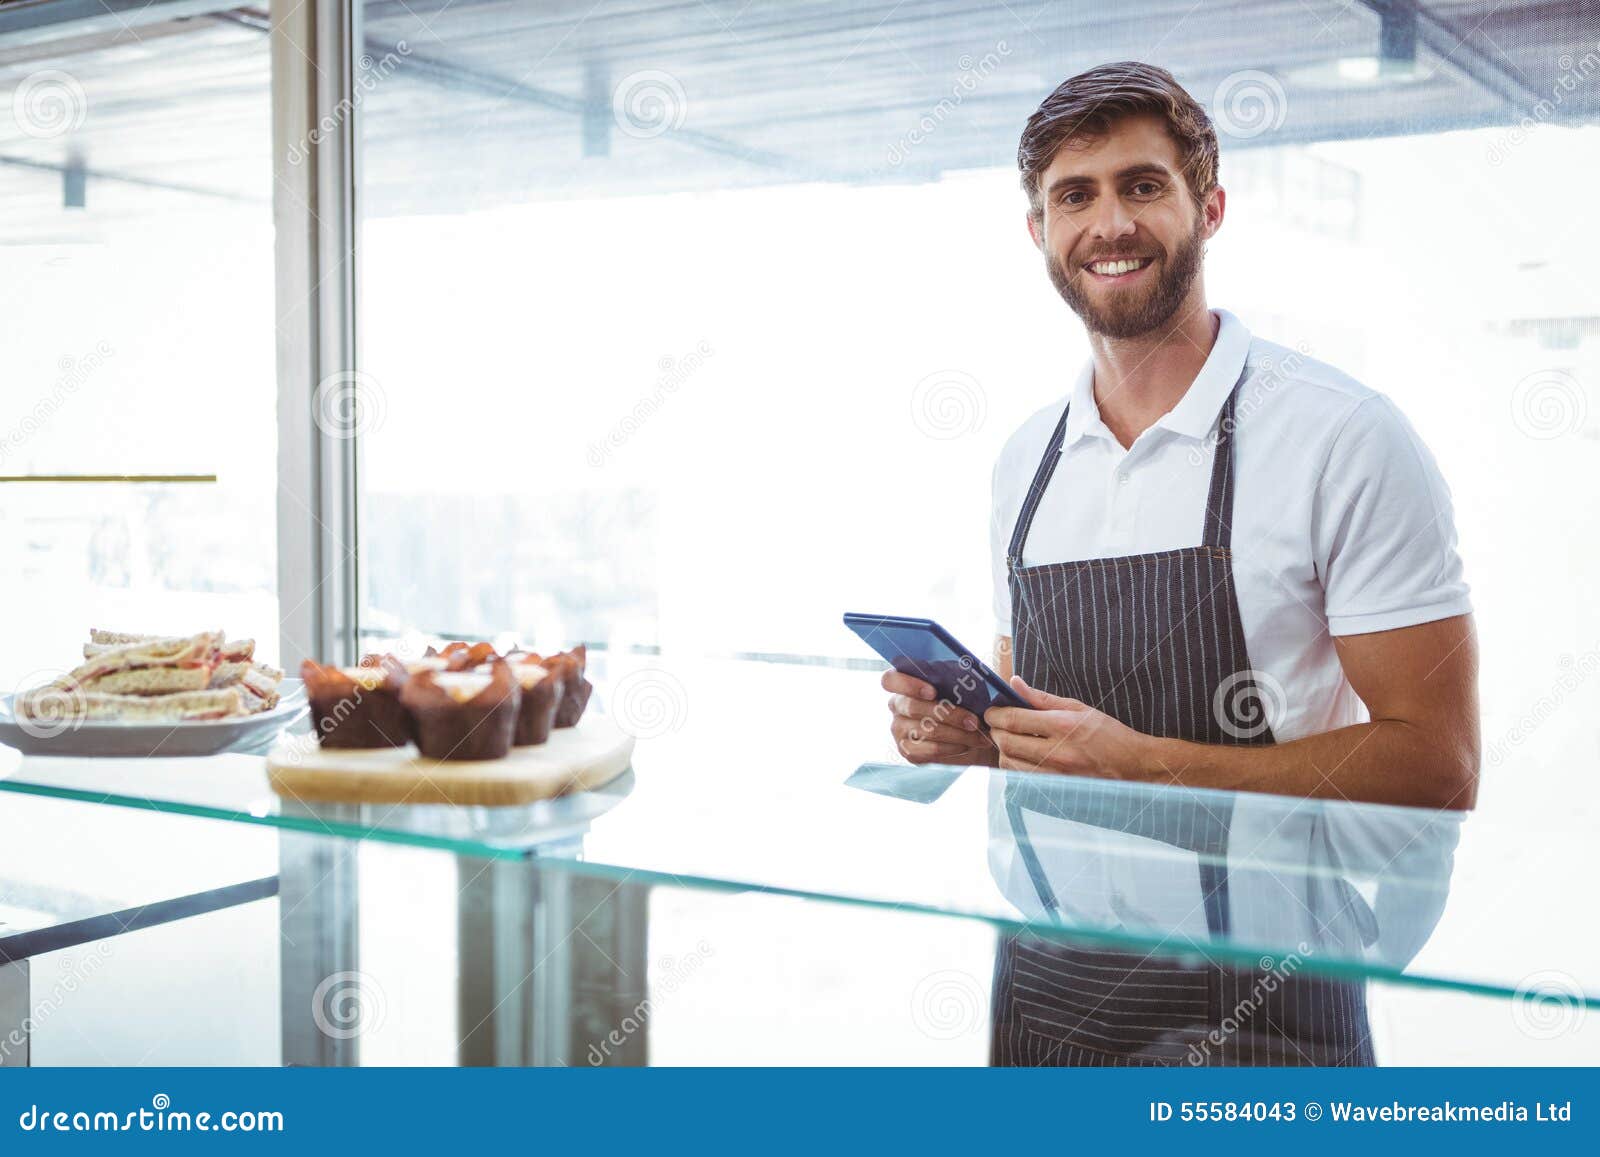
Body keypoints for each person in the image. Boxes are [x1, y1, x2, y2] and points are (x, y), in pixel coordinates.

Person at [880, 60, 1480, 1066]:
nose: (1108, 223)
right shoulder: (1024, 460)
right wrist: (966, 728)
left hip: (1268, 1000)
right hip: (1048, 987)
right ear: (1038, 233)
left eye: (1141, 186)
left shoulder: (1343, 435)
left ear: (1209, 206)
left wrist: (1144, 764)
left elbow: (1438, 762)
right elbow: (1041, 718)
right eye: (1074, 196)